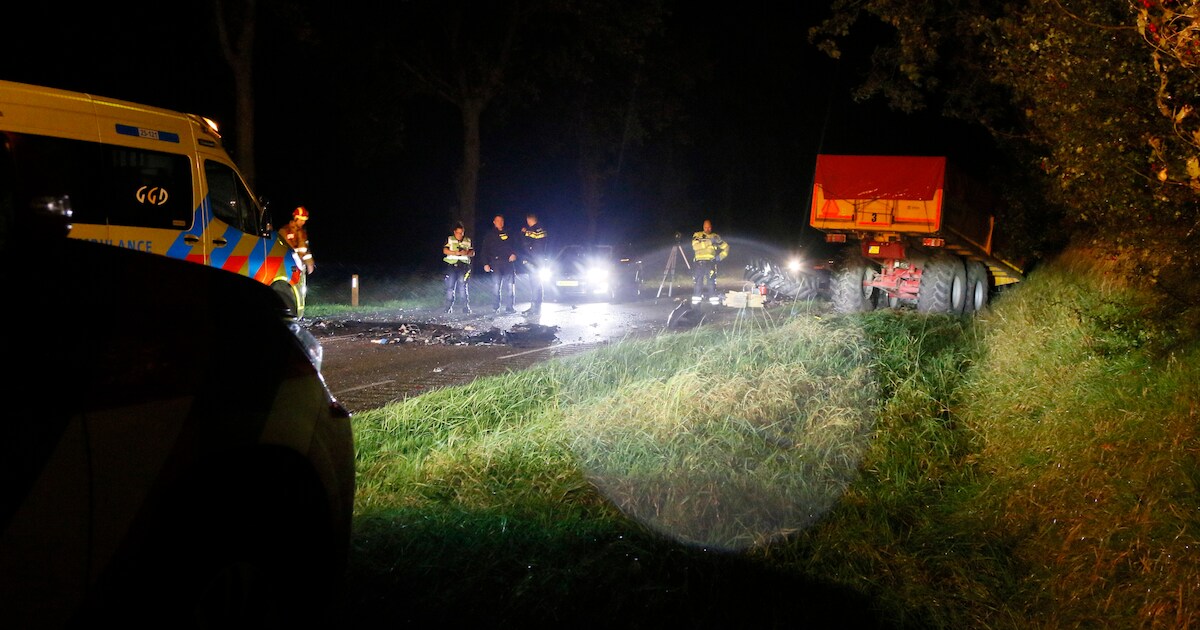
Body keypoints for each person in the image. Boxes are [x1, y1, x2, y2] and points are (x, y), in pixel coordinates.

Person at [479, 213, 520, 313]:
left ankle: (510, 307)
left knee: (510, 286)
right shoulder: (489, 235)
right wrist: (485, 263)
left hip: (508, 263)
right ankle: (495, 307)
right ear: (494, 222)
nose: (500, 223)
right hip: (496, 263)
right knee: (496, 286)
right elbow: (484, 250)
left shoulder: (509, 232)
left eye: (501, 221)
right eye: (497, 221)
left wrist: (514, 254)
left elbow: (517, 245)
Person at [690, 218, 729, 304]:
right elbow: (695, 247)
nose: (708, 229)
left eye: (709, 227)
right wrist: (709, 242)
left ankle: (714, 306)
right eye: (706, 227)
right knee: (698, 284)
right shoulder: (697, 235)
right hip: (699, 264)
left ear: (711, 227)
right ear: (703, 227)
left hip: (711, 264)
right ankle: (696, 306)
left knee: (711, 284)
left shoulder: (716, 237)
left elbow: (726, 247)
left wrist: (719, 257)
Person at [442, 221, 474, 314]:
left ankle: (465, 307)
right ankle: (448, 307)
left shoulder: (467, 240)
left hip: (463, 266)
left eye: (462, 233)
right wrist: (455, 253)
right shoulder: (450, 239)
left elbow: (472, 252)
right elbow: (444, 250)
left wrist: (466, 253)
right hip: (452, 266)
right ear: (455, 232)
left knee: (463, 287)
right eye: (459, 233)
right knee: (450, 287)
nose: (460, 235)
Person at [520, 211, 549, 311]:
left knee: (534, 283)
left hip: (534, 260)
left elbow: (527, 242)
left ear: (529, 219)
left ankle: (534, 306)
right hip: (537, 259)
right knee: (536, 283)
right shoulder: (540, 229)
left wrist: (524, 232)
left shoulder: (535, 230)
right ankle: (536, 305)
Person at [283, 206, 315, 274]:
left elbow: (305, 249)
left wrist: (310, 262)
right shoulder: (285, 231)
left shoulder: (302, 232)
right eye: (301, 220)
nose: (303, 223)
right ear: (295, 218)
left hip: (301, 265)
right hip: (289, 265)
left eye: (304, 220)